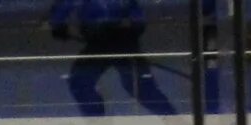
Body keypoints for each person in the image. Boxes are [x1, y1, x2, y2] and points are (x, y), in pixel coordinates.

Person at [48, 0, 178, 118]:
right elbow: (137, 16)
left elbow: (64, 7)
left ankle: (97, 123)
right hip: (111, 40)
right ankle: (98, 124)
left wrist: (58, 26)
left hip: (107, 40)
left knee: (82, 81)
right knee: (82, 81)